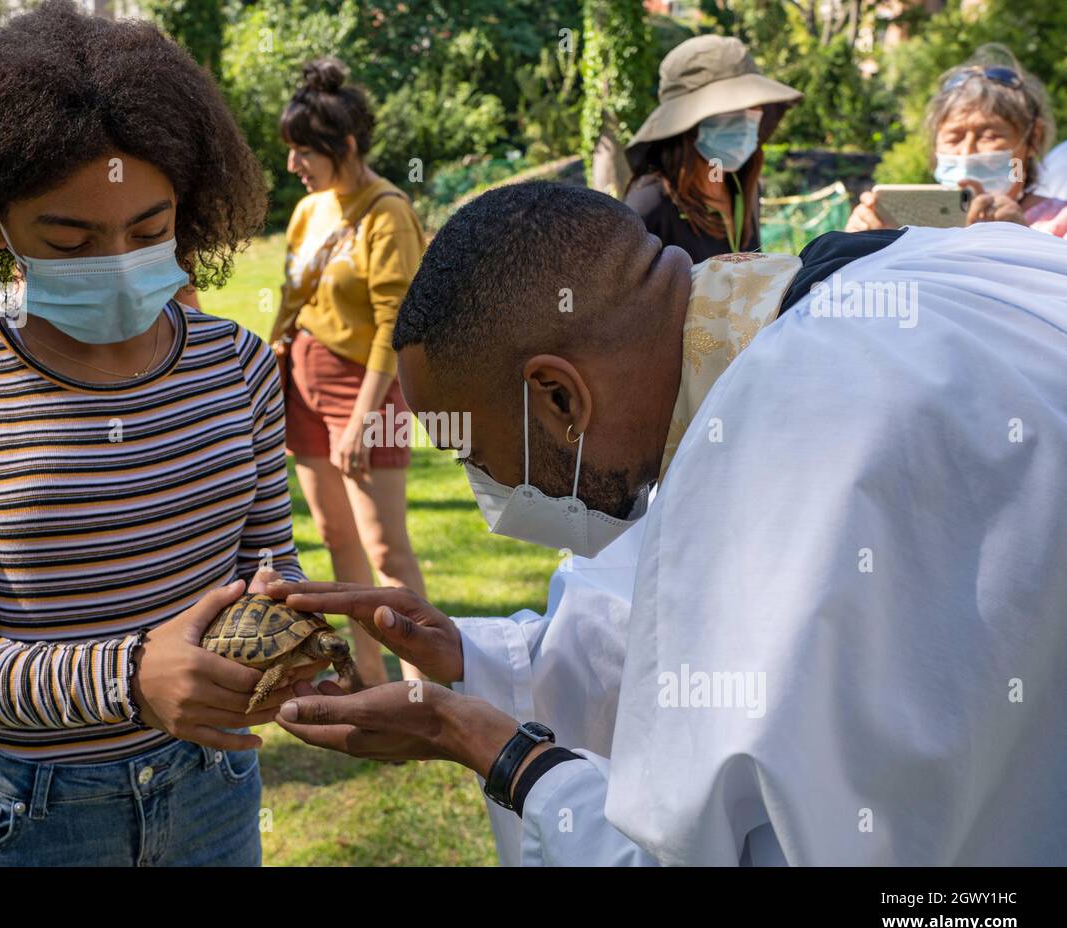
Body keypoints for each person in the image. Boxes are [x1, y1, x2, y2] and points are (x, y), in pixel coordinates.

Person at [272, 181, 1067, 865]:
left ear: (559, 398)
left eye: (475, 454)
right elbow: (693, 638)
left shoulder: (789, 452)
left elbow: (730, 847)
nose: (488, 492)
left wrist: (490, 747)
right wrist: (473, 660)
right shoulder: (938, 267)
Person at [0, 0, 315, 866]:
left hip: (213, 790)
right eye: (69, 240)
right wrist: (131, 679)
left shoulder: (241, 366)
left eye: (150, 231)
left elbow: (270, 568)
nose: (117, 260)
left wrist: (298, 640)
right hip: (38, 815)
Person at [270, 57, 427, 686]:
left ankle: (422, 695)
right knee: (337, 542)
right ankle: (370, 682)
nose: (292, 166)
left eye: (303, 152)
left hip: (364, 388)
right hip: (300, 379)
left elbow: (397, 323)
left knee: (386, 548)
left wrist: (362, 419)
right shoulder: (310, 211)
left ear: (348, 146)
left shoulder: (387, 214)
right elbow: (289, 297)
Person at [847, 45, 1066, 237]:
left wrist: (1021, 241)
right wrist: (857, 246)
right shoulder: (909, 226)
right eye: (954, 138)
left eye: (989, 136)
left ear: (1032, 138)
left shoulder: (1059, 222)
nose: (967, 152)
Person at [618, 35, 801, 262]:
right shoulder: (650, 202)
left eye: (753, 109)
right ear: (689, 122)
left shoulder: (744, 187)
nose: (746, 121)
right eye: (733, 109)